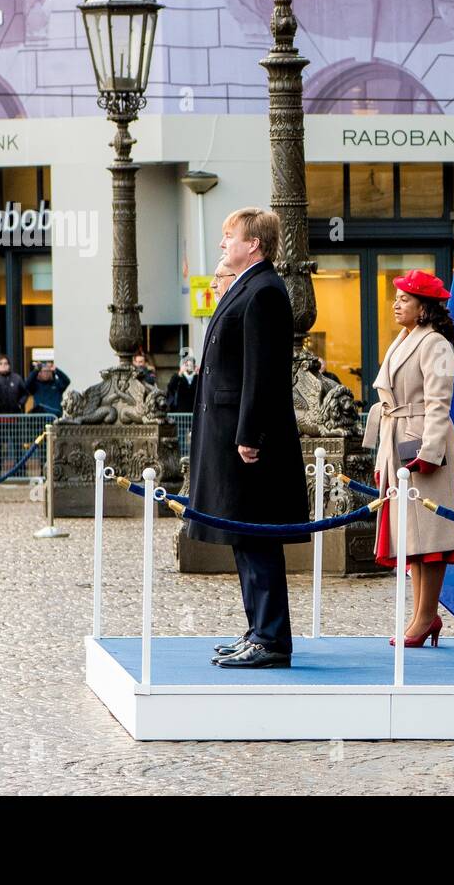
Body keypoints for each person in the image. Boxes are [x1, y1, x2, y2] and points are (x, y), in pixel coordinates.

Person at [191, 207, 308, 670]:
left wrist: (250, 433)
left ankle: (273, 638)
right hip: (229, 431)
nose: (223, 244)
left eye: (229, 236)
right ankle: (258, 628)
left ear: (253, 244)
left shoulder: (263, 292)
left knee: (256, 535)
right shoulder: (247, 286)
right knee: (243, 533)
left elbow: (263, 373)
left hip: (248, 438)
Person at [362, 271, 454, 647]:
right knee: (413, 538)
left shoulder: (434, 343)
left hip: (421, 444)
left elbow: (440, 403)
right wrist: (383, 458)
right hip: (400, 441)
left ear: (423, 308)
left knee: (430, 538)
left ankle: (424, 617)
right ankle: (423, 615)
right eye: (397, 297)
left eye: (405, 298)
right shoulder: (405, 339)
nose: (396, 303)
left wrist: (430, 452)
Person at [0, 355, 30, 474]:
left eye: (5, 363)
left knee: (18, 446)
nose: (3, 366)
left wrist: (20, 404)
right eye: (1, 364)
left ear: (9, 365)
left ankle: (20, 471)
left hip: (14, 418)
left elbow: (25, 393)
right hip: (0, 419)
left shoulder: (16, 378)